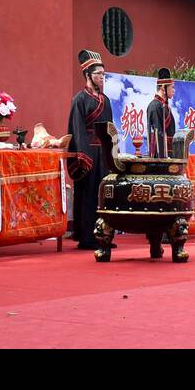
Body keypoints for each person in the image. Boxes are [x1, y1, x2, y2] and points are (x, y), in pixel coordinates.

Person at [66, 49, 114, 250]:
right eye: (98, 75)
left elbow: (110, 128)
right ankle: (86, 236)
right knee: (87, 193)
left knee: (104, 193)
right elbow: (77, 129)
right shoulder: (80, 99)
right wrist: (83, 154)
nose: (101, 78)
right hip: (87, 152)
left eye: (103, 75)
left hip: (103, 152)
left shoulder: (106, 100)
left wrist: (113, 153)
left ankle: (104, 235)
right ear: (87, 75)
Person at [146, 68, 177, 159]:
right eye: (172, 87)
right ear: (163, 87)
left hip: (169, 155)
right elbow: (157, 134)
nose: (174, 90)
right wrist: (163, 157)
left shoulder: (163, 106)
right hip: (160, 157)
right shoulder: (155, 106)